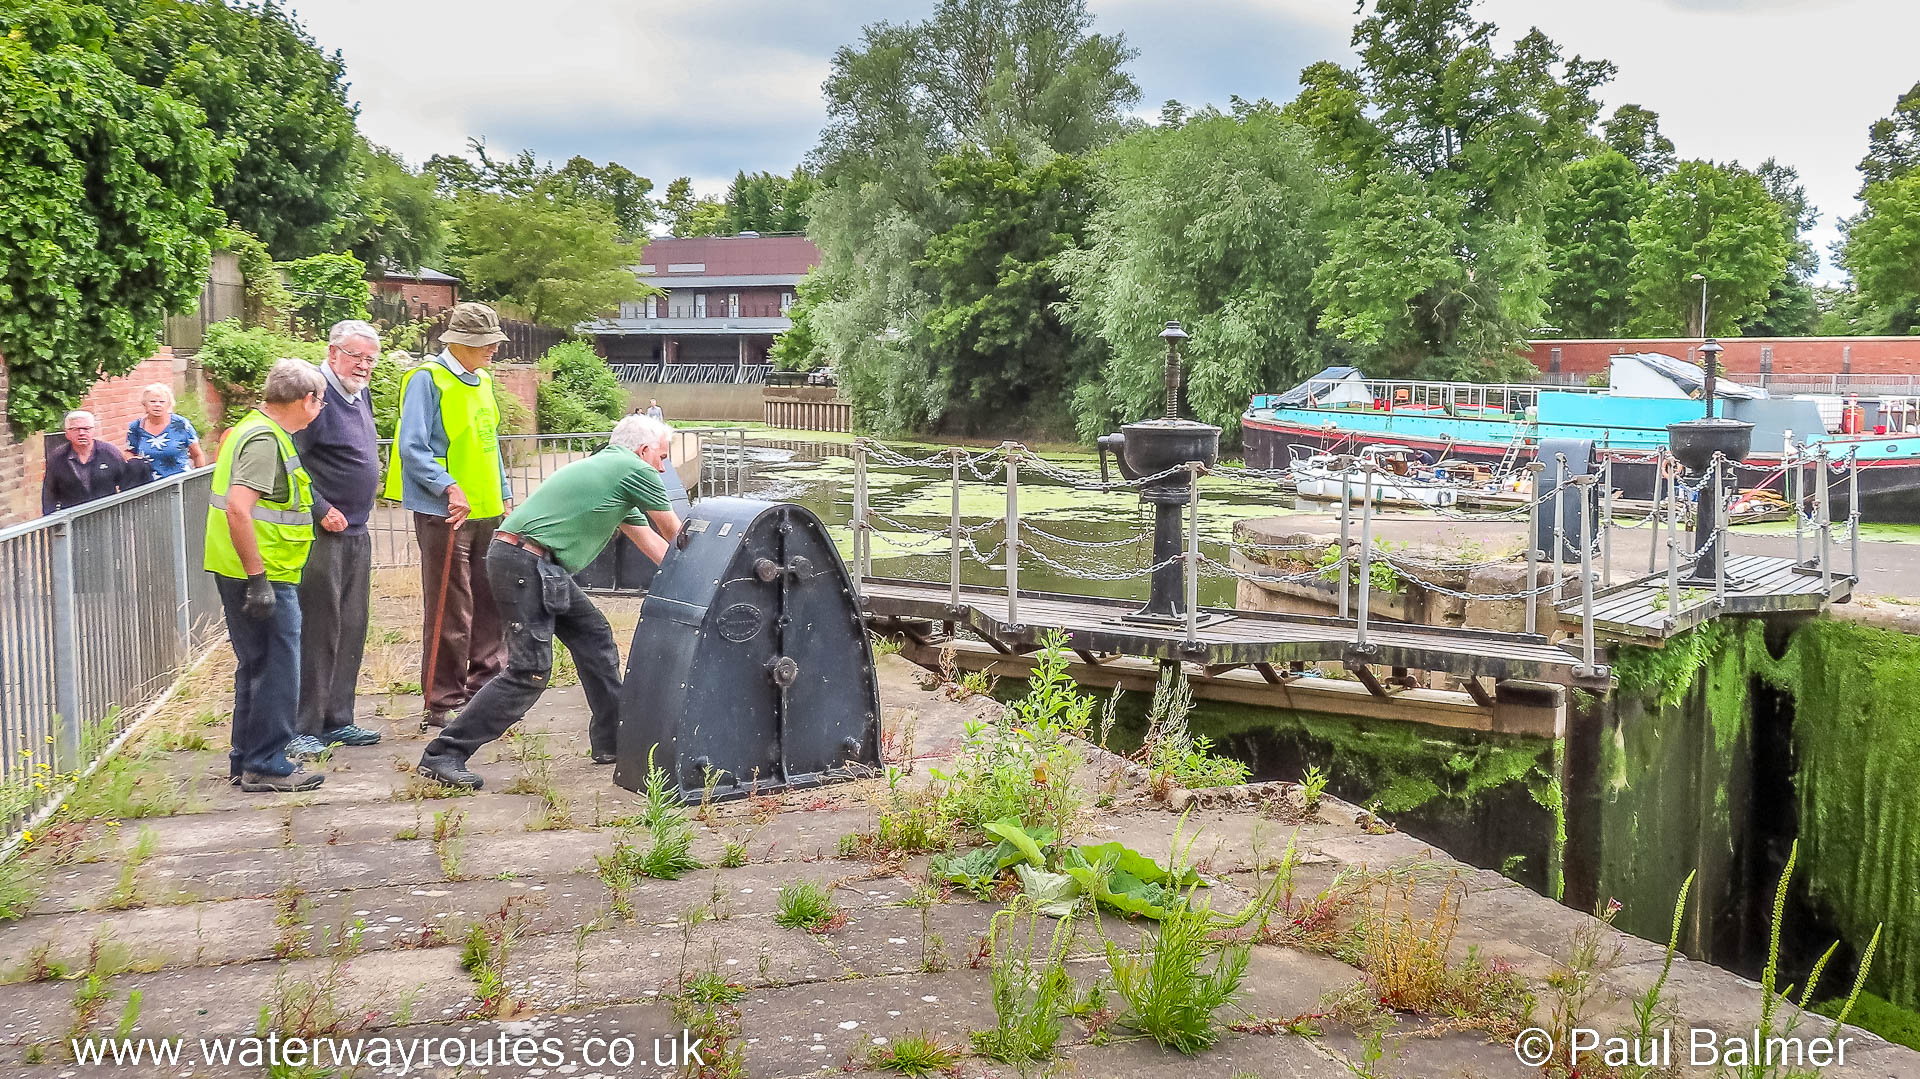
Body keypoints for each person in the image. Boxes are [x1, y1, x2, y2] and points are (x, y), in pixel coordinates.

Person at [417, 414, 682, 789]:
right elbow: (674, 535)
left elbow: (654, 545)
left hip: (532, 562)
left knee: (594, 635)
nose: (663, 466)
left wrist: (681, 576)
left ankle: (611, 741)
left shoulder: (609, 470)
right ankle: (445, 753)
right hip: (527, 562)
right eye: (662, 457)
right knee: (529, 671)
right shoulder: (633, 469)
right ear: (644, 450)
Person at [384, 302, 514, 729]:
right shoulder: (426, 379)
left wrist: (506, 494)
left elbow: (490, 445)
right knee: (450, 605)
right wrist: (447, 486)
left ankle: (486, 685)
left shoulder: (483, 380)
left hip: (486, 508)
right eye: (485, 343)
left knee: (488, 600)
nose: (494, 349)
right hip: (446, 512)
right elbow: (413, 447)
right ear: (459, 343)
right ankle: (442, 699)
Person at [205, 359, 327, 793]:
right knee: (278, 667)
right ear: (306, 400)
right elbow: (239, 508)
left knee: (256, 665)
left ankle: (247, 759)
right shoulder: (265, 440)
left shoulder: (251, 429)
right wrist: (258, 580)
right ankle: (268, 762)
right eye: (320, 400)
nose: (321, 408)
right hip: (261, 572)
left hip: (242, 566)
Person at [287, 320, 387, 759]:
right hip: (323, 531)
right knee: (320, 625)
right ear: (332, 354)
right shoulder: (315, 397)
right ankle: (304, 725)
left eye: (370, 358)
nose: (363, 366)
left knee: (352, 624)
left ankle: (337, 719)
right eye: (355, 356)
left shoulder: (357, 394)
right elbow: (291, 461)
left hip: (358, 528)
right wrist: (319, 506)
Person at [42, 410, 142, 514]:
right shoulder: (57, 458)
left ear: (94, 431)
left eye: (86, 429)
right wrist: (52, 524)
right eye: (75, 429)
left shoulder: (110, 453)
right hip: (73, 521)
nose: (81, 433)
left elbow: (126, 485)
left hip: (107, 518)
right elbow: (49, 494)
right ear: (67, 434)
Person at [125, 383, 206, 479]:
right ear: (145, 404)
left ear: (168, 404)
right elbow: (129, 452)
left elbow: (197, 454)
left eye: (162, 402)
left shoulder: (181, 424)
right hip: (149, 486)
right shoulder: (136, 427)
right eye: (152, 401)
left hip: (179, 483)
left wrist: (199, 481)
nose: (157, 405)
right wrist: (134, 464)